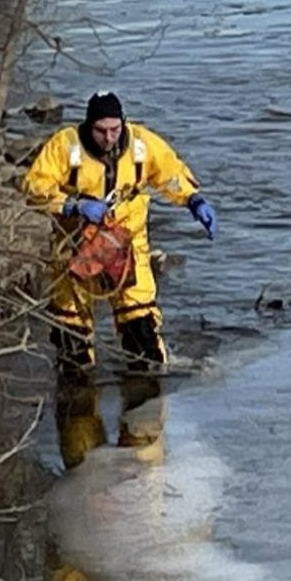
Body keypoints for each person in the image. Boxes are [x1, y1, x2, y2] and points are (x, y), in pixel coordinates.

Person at [23, 91, 217, 373]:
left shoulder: (141, 144)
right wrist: (72, 206)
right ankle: (79, 400)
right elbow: (34, 188)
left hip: (127, 242)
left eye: (115, 129)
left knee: (140, 325)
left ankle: (147, 397)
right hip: (75, 243)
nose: (109, 137)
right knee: (71, 333)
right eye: (101, 131)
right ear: (89, 126)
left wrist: (193, 200)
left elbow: (170, 173)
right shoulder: (65, 147)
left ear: (123, 124)